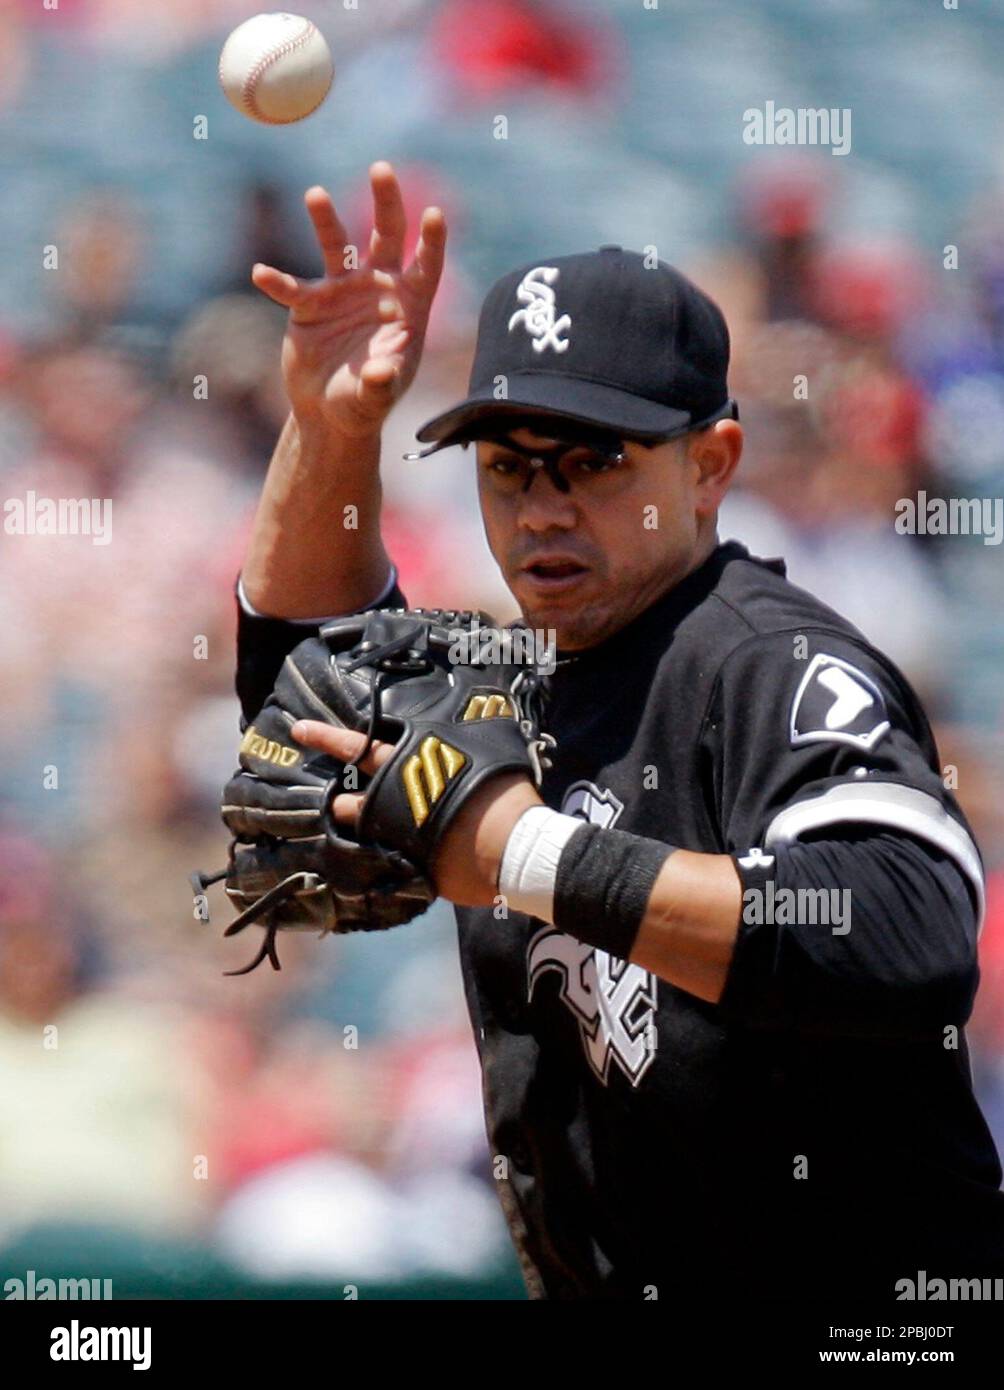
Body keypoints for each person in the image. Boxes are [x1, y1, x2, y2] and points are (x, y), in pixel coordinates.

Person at [233, 163, 1004, 1301]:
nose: (542, 507)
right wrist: (331, 425)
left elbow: (901, 932)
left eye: (593, 462)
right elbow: (310, 681)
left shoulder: (770, 664)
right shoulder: (515, 672)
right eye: (507, 468)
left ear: (709, 467)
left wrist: (520, 854)